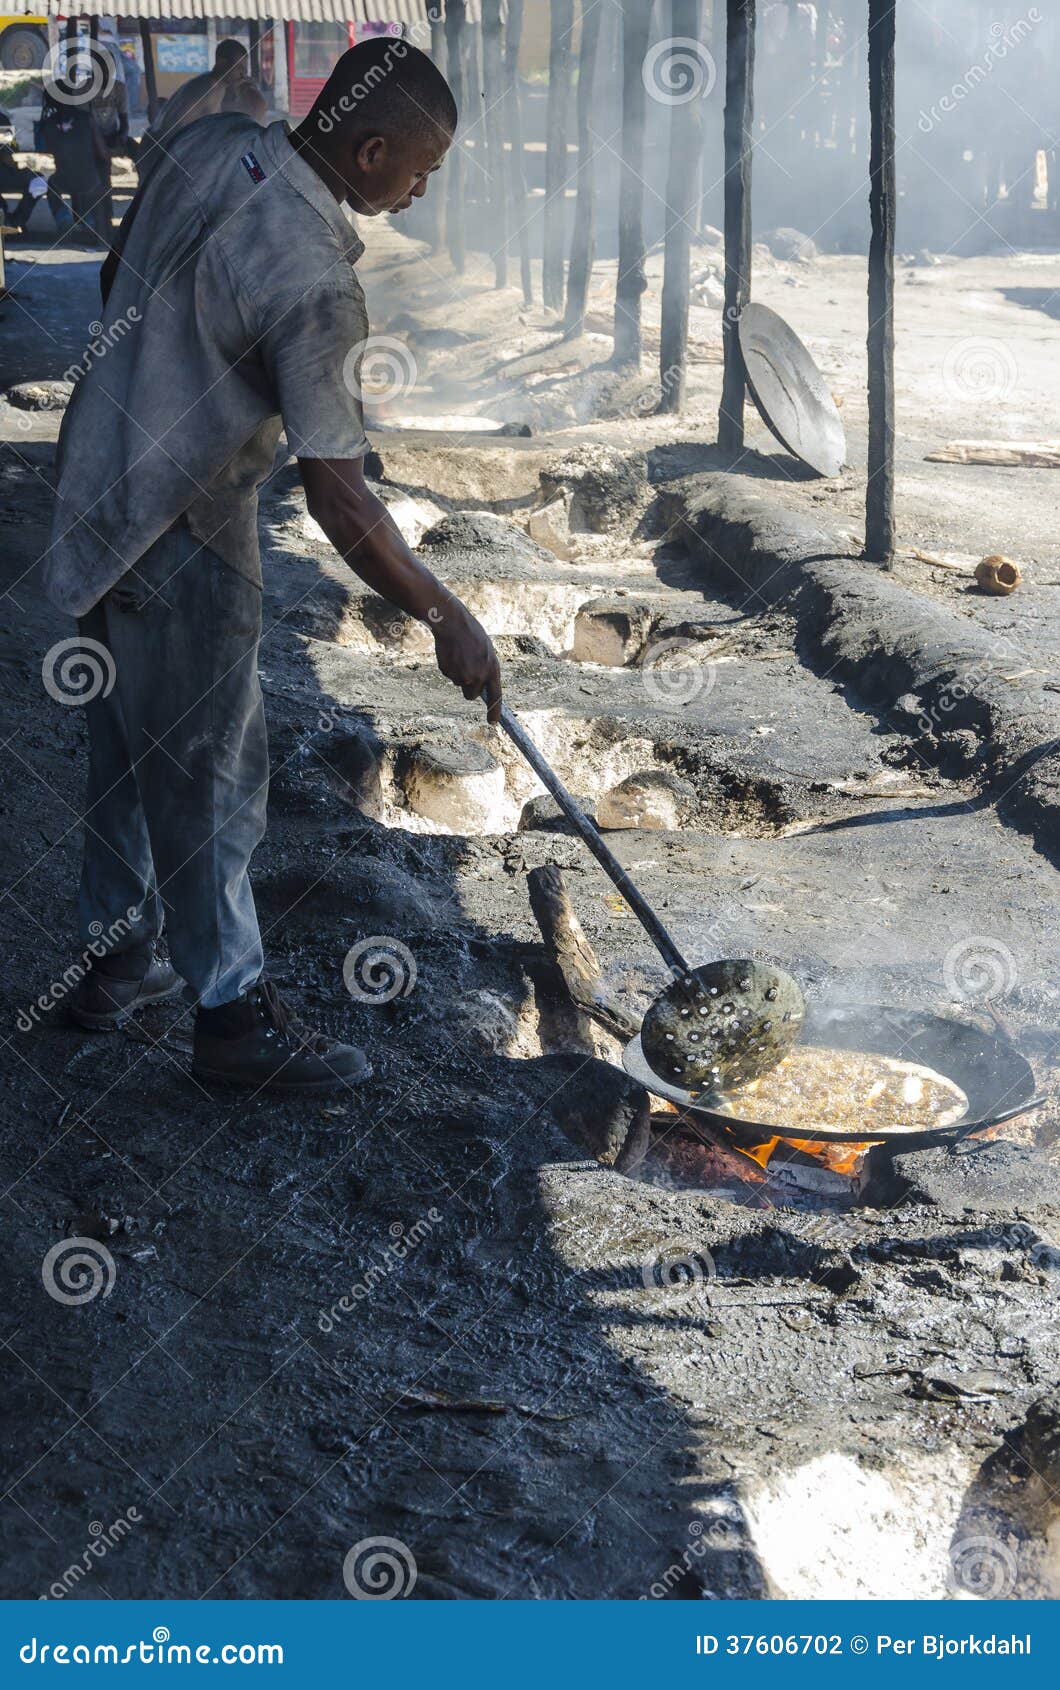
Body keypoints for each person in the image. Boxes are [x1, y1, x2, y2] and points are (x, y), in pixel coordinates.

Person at [43, 38, 501, 1094]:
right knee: (210, 776)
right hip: (184, 529)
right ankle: (232, 1020)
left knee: (123, 753)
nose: (423, 190)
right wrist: (444, 616)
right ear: (372, 148)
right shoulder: (313, 277)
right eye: (420, 169)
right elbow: (340, 499)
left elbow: (124, 264)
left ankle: (114, 964)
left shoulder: (210, 147)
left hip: (93, 485)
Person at [137, 38, 248, 183]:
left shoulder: (218, 87)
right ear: (221, 63)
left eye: (244, 69)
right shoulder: (208, 87)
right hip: (161, 158)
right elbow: (175, 128)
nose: (243, 74)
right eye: (239, 67)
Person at [38, 75, 111, 246]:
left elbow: (45, 149)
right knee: (90, 177)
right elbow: (104, 154)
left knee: (51, 185)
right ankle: (89, 221)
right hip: (89, 180)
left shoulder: (48, 124)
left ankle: (64, 220)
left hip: (62, 179)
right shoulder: (87, 119)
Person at [0, 111, 72, 234]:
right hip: (3, 173)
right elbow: (8, 154)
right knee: (41, 180)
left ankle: (10, 219)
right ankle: (17, 220)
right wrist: (17, 168)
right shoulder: (1, 120)